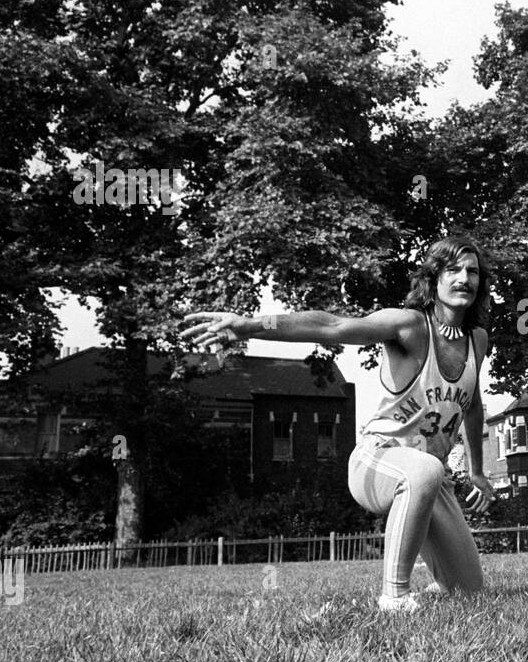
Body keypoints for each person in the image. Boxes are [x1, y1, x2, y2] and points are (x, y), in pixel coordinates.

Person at [180, 235, 496, 613]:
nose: (464, 278)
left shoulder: (477, 340)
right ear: (434, 277)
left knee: (469, 591)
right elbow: (334, 326)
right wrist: (249, 325)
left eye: (472, 271)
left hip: (427, 477)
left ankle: (435, 587)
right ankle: (394, 597)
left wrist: (477, 471)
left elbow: (473, 405)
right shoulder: (408, 325)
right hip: (376, 461)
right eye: (453, 269)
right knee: (425, 470)